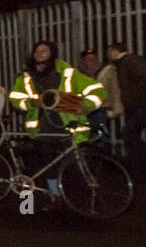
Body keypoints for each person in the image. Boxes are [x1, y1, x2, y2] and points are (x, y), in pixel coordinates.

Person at [8, 40, 104, 206]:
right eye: (37, 51)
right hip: (42, 129)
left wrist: (87, 105)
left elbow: (97, 90)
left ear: (52, 54)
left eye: (44, 51)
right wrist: (31, 103)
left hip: (68, 126)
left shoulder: (68, 73)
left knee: (73, 165)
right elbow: (15, 99)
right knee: (49, 164)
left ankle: (83, 199)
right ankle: (56, 196)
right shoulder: (25, 77)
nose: (39, 54)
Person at [104, 41, 146, 182]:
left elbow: (145, 78)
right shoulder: (126, 63)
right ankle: (141, 169)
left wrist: (132, 97)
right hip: (139, 104)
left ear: (114, 51)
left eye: (109, 52)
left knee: (129, 133)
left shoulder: (129, 61)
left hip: (141, 104)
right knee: (131, 135)